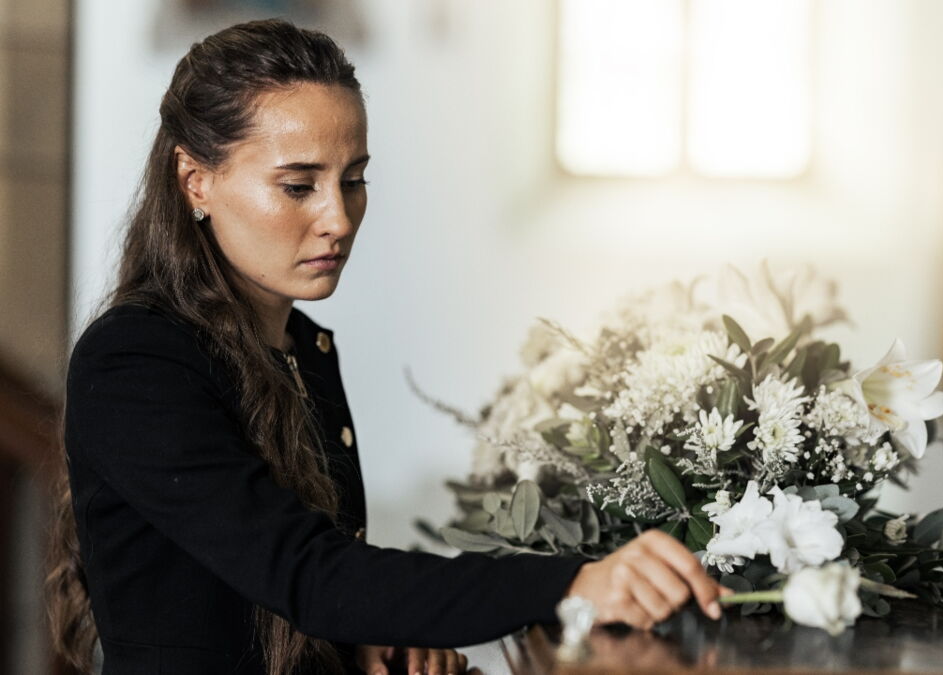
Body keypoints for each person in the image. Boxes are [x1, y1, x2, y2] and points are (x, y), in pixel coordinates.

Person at [44, 18, 730, 675]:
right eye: (297, 185)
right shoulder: (134, 360)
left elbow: (293, 587)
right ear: (196, 180)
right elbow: (307, 573)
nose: (338, 219)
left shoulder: (297, 346)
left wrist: (365, 636)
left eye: (353, 179)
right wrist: (573, 581)